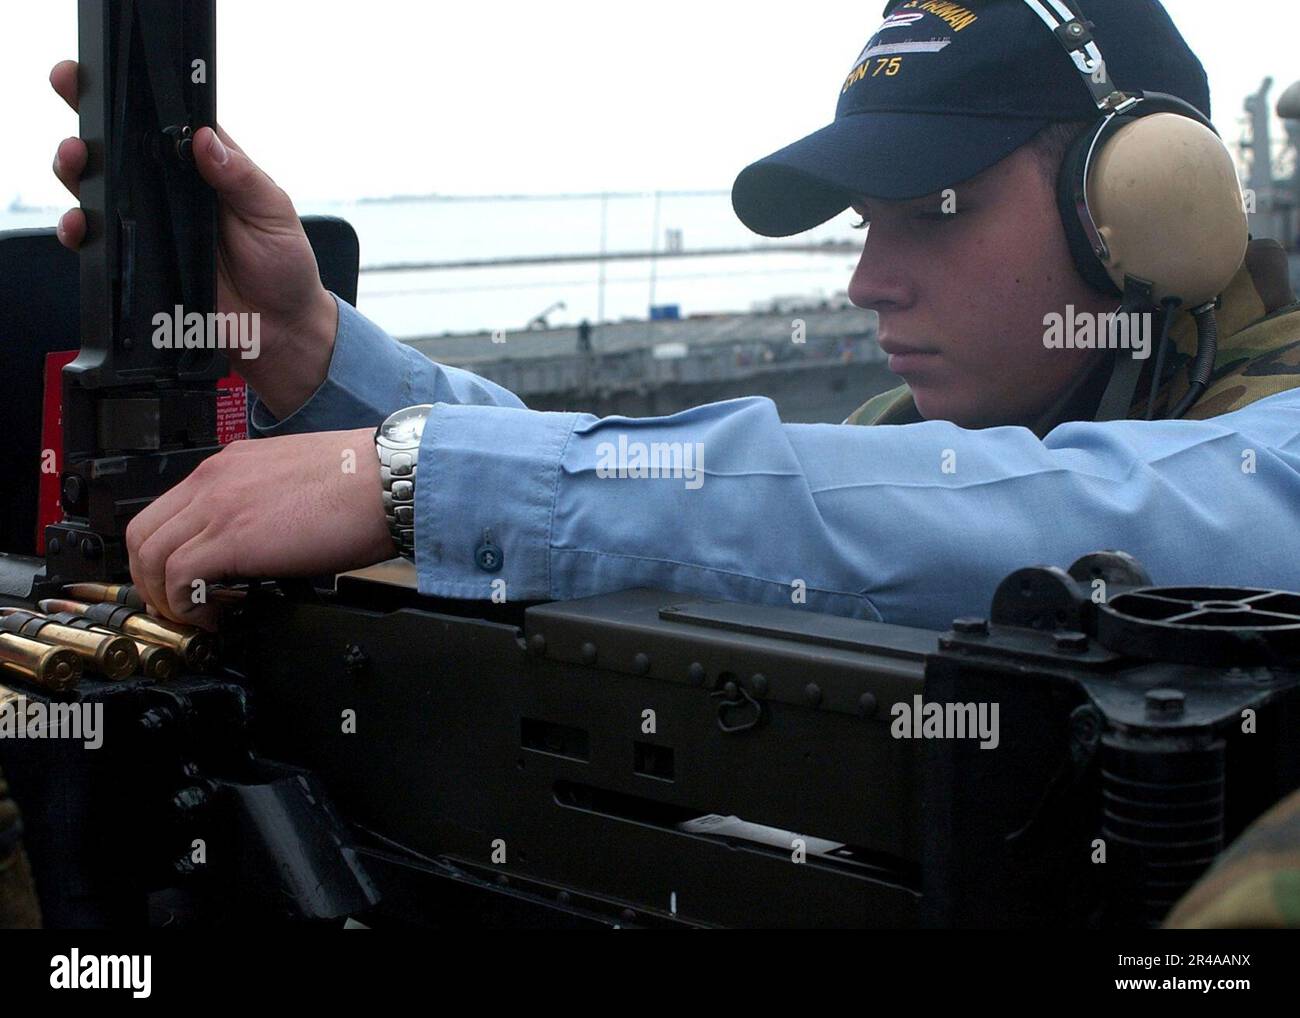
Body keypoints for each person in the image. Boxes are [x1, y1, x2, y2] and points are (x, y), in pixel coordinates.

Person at [42, 0, 1300, 930]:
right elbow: (669, 496)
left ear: (1141, 205)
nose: (869, 280)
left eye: (934, 211)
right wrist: (314, 352)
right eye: (868, 225)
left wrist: (427, 476)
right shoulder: (915, 450)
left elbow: (1100, 511)